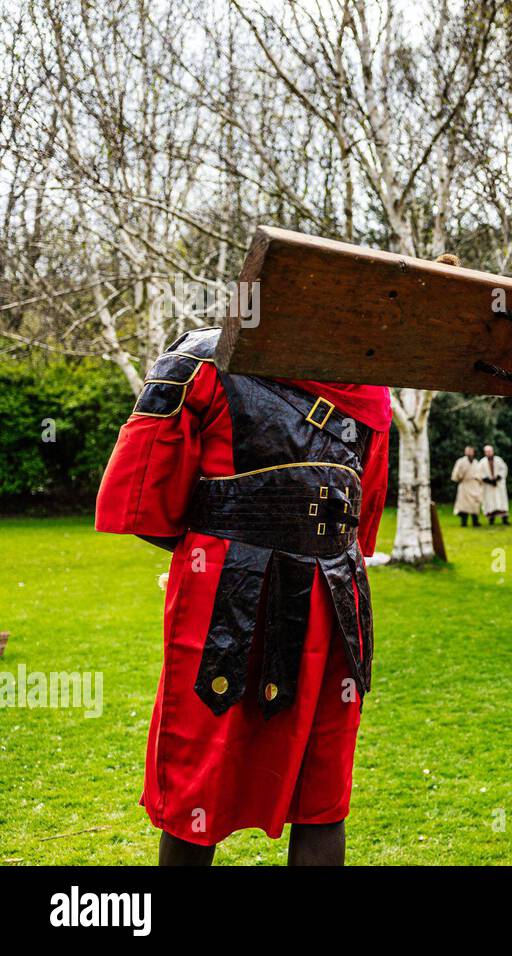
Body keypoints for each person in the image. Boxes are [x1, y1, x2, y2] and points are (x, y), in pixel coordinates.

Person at [95, 326, 391, 865]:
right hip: (332, 595)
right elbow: (357, 522)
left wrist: (206, 550)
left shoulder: (201, 358)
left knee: (201, 777)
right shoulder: (370, 387)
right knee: (318, 790)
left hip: (224, 593)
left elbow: (143, 501)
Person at [475, 444, 509, 525]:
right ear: (485, 453)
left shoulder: (498, 460)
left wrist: (497, 478)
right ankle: (491, 519)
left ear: (493, 451)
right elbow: (479, 473)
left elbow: (503, 469)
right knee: (489, 502)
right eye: (487, 452)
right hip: (488, 486)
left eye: (490, 451)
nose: (489, 453)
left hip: (498, 484)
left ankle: (504, 519)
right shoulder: (482, 462)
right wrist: (488, 480)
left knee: (501, 501)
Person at [451, 446, 483, 527]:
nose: (469, 453)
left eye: (471, 451)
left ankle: (475, 521)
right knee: (464, 505)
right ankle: (464, 522)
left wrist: (479, 481)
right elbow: (456, 474)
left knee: (475, 504)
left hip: (474, 484)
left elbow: (480, 473)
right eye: (468, 451)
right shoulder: (461, 462)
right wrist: (460, 477)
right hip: (465, 484)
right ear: (465, 452)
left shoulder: (476, 462)